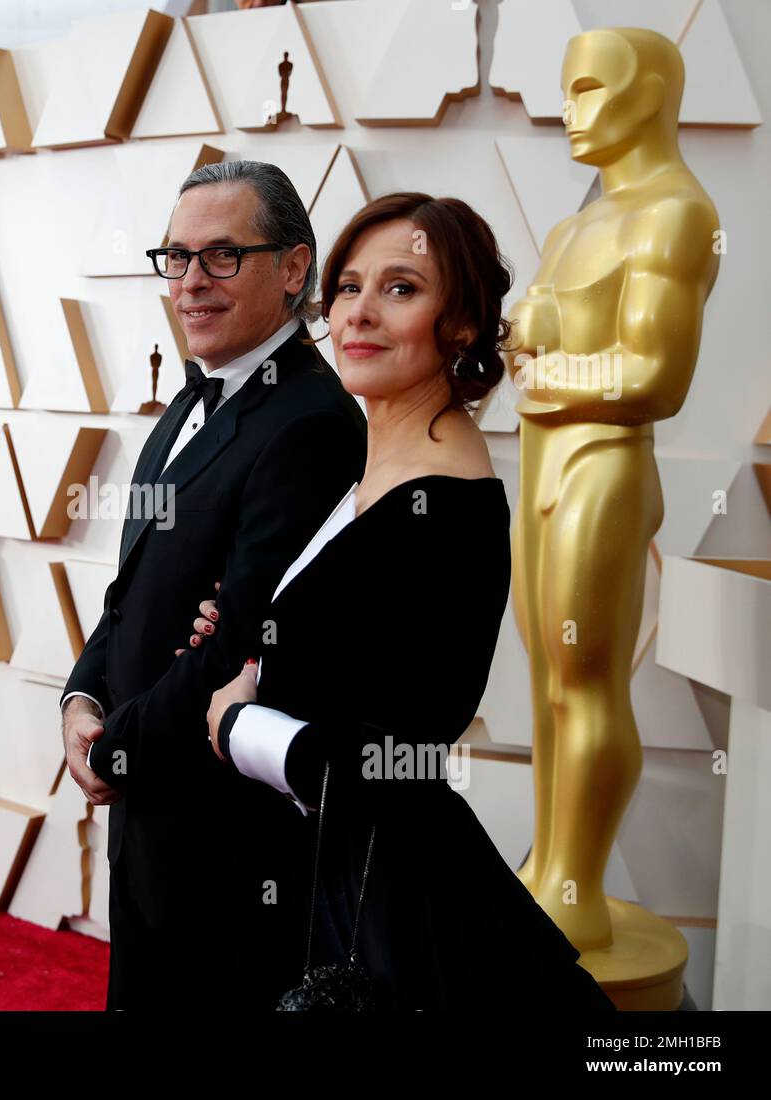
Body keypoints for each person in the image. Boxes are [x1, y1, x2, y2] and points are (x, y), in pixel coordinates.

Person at [199, 193, 616, 1010]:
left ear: (458, 323)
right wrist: (258, 645)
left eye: (401, 288)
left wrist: (235, 727)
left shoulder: (450, 511)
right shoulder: (376, 465)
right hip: (330, 880)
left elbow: (397, 759)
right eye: (349, 286)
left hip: (399, 915)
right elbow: (347, 647)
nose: (359, 313)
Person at [59, 160, 367, 1010]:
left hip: (226, 843)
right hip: (146, 814)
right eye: (178, 258)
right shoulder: (187, 400)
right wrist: (80, 699)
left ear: (294, 268)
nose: (191, 282)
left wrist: (114, 749)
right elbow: (133, 592)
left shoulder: (311, 421)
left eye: (222, 257)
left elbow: (238, 644)